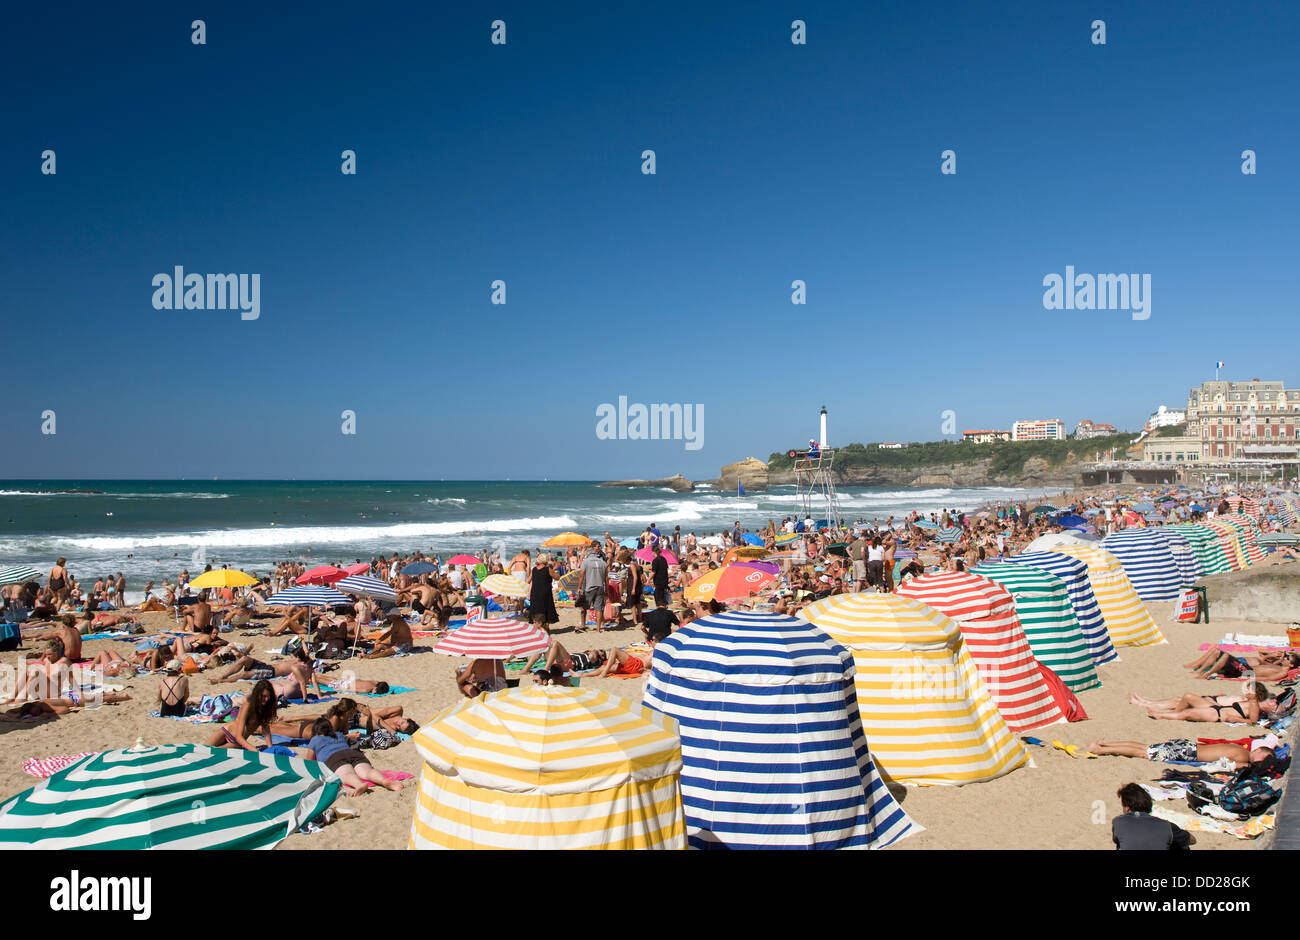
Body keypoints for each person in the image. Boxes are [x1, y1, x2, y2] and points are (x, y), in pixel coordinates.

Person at [304, 717, 404, 793]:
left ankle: (359, 785)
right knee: (367, 772)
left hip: (334, 758)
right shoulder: (338, 734)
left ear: (316, 730)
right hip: (352, 753)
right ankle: (384, 781)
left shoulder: (315, 740)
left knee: (346, 774)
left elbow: (309, 761)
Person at [1089, 737, 1277, 768]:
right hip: (1189, 753)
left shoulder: (1240, 749)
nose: (1263, 761)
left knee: (1144, 747)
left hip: (1189, 746)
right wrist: (1245, 765)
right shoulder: (1244, 756)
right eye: (1264, 757)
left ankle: (1105, 743)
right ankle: (1102, 749)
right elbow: (1230, 765)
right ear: (1258, 750)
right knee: (1143, 753)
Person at [1129, 685, 1277, 723]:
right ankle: (1144, 703)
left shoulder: (1253, 706)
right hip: (1217, 708)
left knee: (1185, 710)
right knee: (1182, 699)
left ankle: (1160, 714)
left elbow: (1252, 721)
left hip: (1218, 712)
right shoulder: (1249, 702)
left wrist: (1234, 719)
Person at [1112, 783, 1193, 850]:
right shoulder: (1167, 826)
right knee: (1180, 845)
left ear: (1127, 808)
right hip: (1169, 832)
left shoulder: (1118, 822)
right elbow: (1192, 840)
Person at [528, 553, 560, 633]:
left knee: (536, 610)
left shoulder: (534, 569)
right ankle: (544, 628)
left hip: (535, 592)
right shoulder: (547, 569)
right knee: (546, 609)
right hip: (545, 592)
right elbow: (557, 578)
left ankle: (536, 628)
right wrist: (555, 569)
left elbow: (528, 580)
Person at [580, 545, 608, 632]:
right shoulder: (602, 562)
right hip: (600, 586)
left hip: (590, 586)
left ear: (587, 554)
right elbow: (606, 577)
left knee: (583, 607)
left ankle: (583, 625)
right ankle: (598, 628)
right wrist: (606, 589)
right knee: (598, 608)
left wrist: (579, 587)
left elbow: (582, 575)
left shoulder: (586, 561)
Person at [650, 544, 670, 609]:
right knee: (663, 598)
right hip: (664, 581)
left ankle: (661, 611)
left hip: (659, 581)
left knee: (658, 599)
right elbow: (666, 569)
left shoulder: (655, 561)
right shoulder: (663, 559)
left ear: (654, 552)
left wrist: (648, 580)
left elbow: (653, 572)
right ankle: (664, 610)